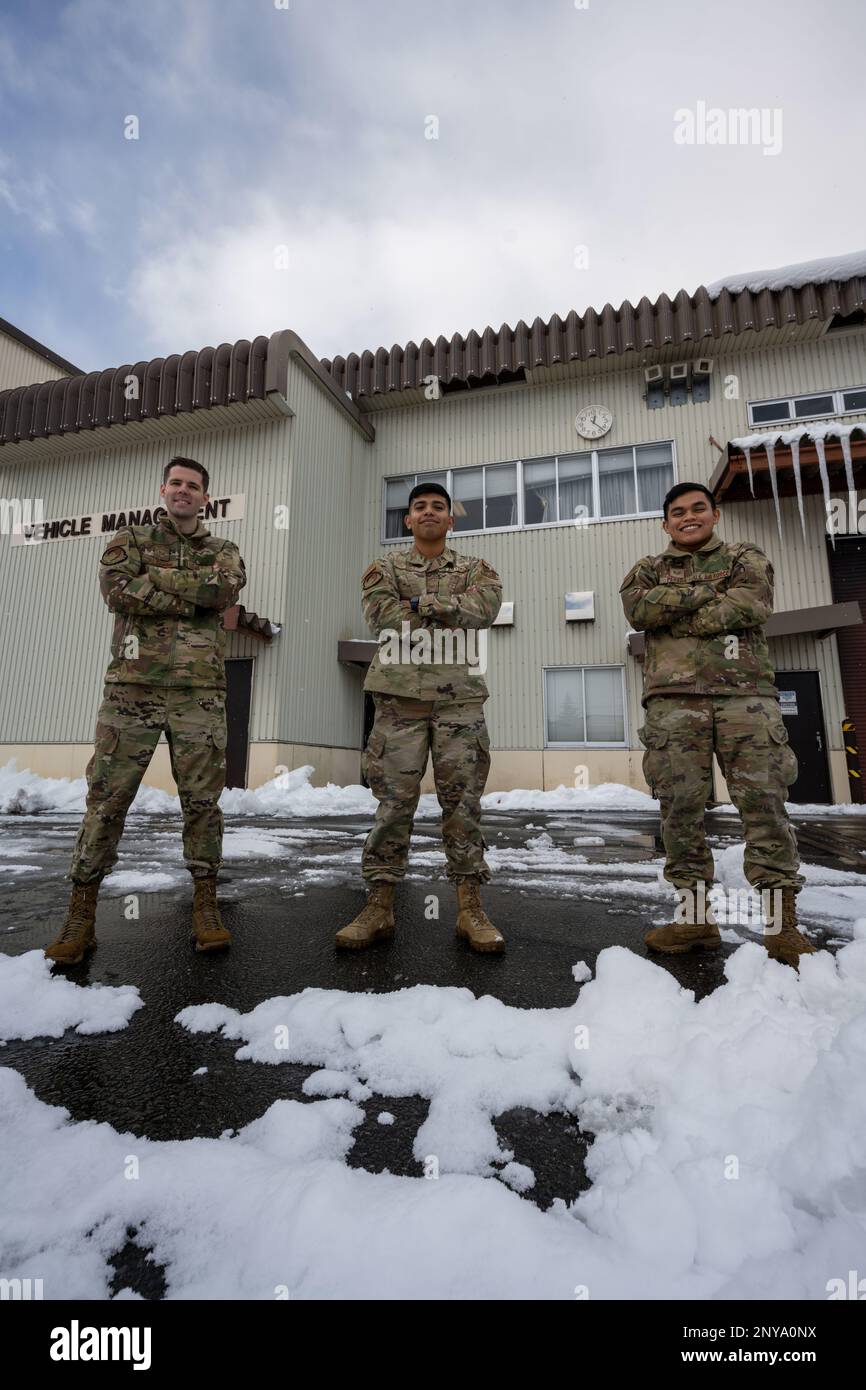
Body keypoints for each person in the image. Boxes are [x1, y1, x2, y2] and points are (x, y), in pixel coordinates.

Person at [44, 456, 246, 965]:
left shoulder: (223, 550)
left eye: (193, 486)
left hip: (199, 691)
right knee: (107, 800)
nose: (183, 491)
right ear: (163, 490)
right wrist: (191, 597)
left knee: (203, 802)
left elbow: (222, 591)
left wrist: (154, 582)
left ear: (205, 497)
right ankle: (80, 915)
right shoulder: (130, 539)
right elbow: (117, 592)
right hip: (131, 689)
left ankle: (205, 904)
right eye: (176, 483)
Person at [619, 480, 815, 968]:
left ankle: (782, 927)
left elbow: (752, 604)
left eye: (698, 508)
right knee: (680, 811)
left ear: (714, 514)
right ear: (665, 523)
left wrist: (678, 612)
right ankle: (694, 920)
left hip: (744, 699)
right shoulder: (647, 569)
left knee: (764, 806)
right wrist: (710, 594)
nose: (689, 517)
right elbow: (639, 609)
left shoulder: (745, 556)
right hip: (673, 705)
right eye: (678, 512)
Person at [336, 483, 504, 952]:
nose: (429, 512)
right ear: (408, 519)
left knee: (463, 806)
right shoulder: (384, 568)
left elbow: (485, 610)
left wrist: (422, 604)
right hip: (399, 702)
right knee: (393, 805)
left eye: (438, 507)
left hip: (459, 702)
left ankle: (470, 908)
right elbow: (383, 618)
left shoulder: (476, 568)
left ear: (451, 519)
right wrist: (450, 612)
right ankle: (379, 905)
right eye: (419, 507)